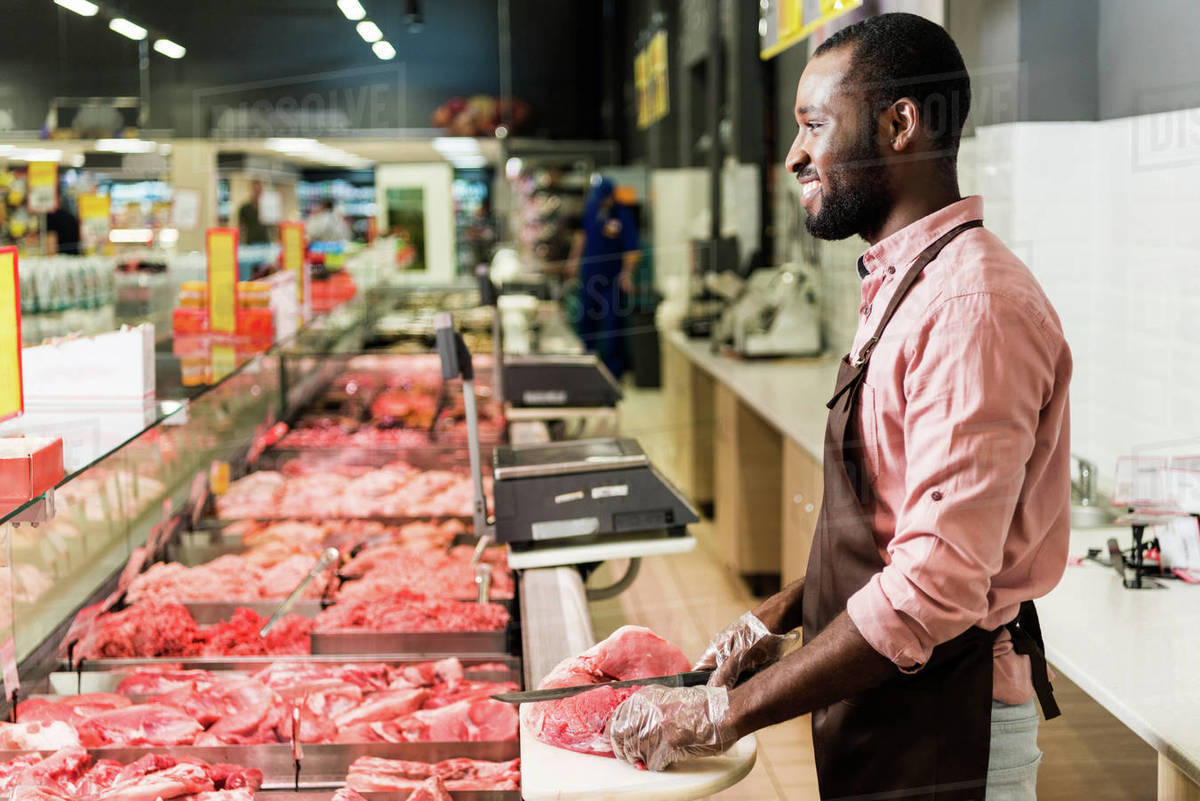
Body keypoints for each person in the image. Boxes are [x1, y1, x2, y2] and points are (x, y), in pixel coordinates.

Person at [606, 13, 1072, 801]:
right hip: (896, 710)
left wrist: (726, 712)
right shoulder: (908, 281)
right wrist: (780, 612)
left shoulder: (970, 306)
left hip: (952, 730)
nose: (793, 155)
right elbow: (897, 528)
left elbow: (933, 586)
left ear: (900, 125)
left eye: (814, 125)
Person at [571, 177, 640, 379]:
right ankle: (585, 368)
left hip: (612, 281)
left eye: (605, 199)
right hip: (590, 276)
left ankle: (613, 373)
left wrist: (627, 274)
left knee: (613, 329)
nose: (602, 202)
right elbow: (582, 236)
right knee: (586, 325)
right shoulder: (592, 209)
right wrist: (573, 261)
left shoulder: (623, 215)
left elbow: (632, 249)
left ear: (612, 196)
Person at [238, 180, 270, 244]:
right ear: (251, 190)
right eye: (255, 190)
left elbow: (273, 225)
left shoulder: (267, 207)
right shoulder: (244, 208)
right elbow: (241, 227)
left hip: (265, 241)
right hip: (250, 241)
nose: (257, 193)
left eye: (259, 190)